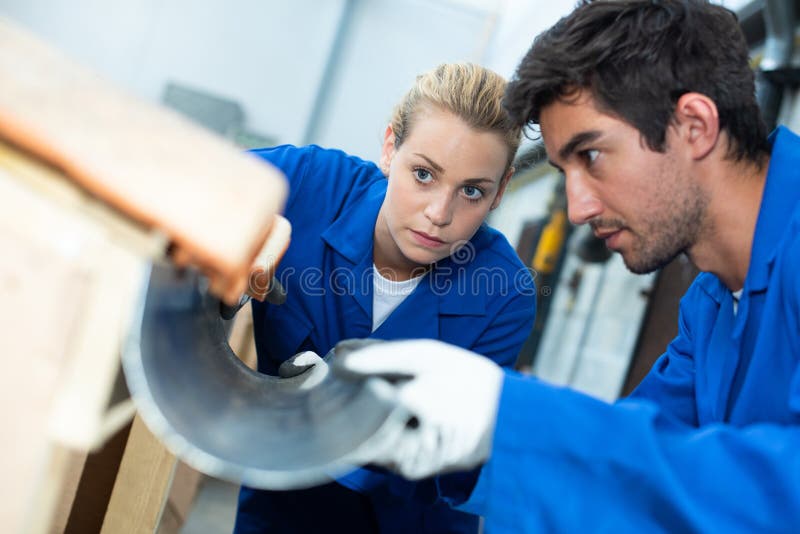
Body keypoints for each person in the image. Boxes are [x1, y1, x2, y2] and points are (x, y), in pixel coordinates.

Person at [334, 0, 800, 531]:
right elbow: (630, 469)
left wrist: (508, 416)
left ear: (694, 126)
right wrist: (444, 435)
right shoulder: (711, 304)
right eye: (563, 170)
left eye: (592, 157)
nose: (577, 209)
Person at [233, 63, 537, 533]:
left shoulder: (504, 296)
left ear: (499, 193)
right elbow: (198, 184)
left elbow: (444, 456)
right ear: (391, 146)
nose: (439, 213)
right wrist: (224, 257)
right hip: (280, 504)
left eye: (472, 191)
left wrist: (341, 407)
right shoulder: (309, 186)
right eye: (423, 174)